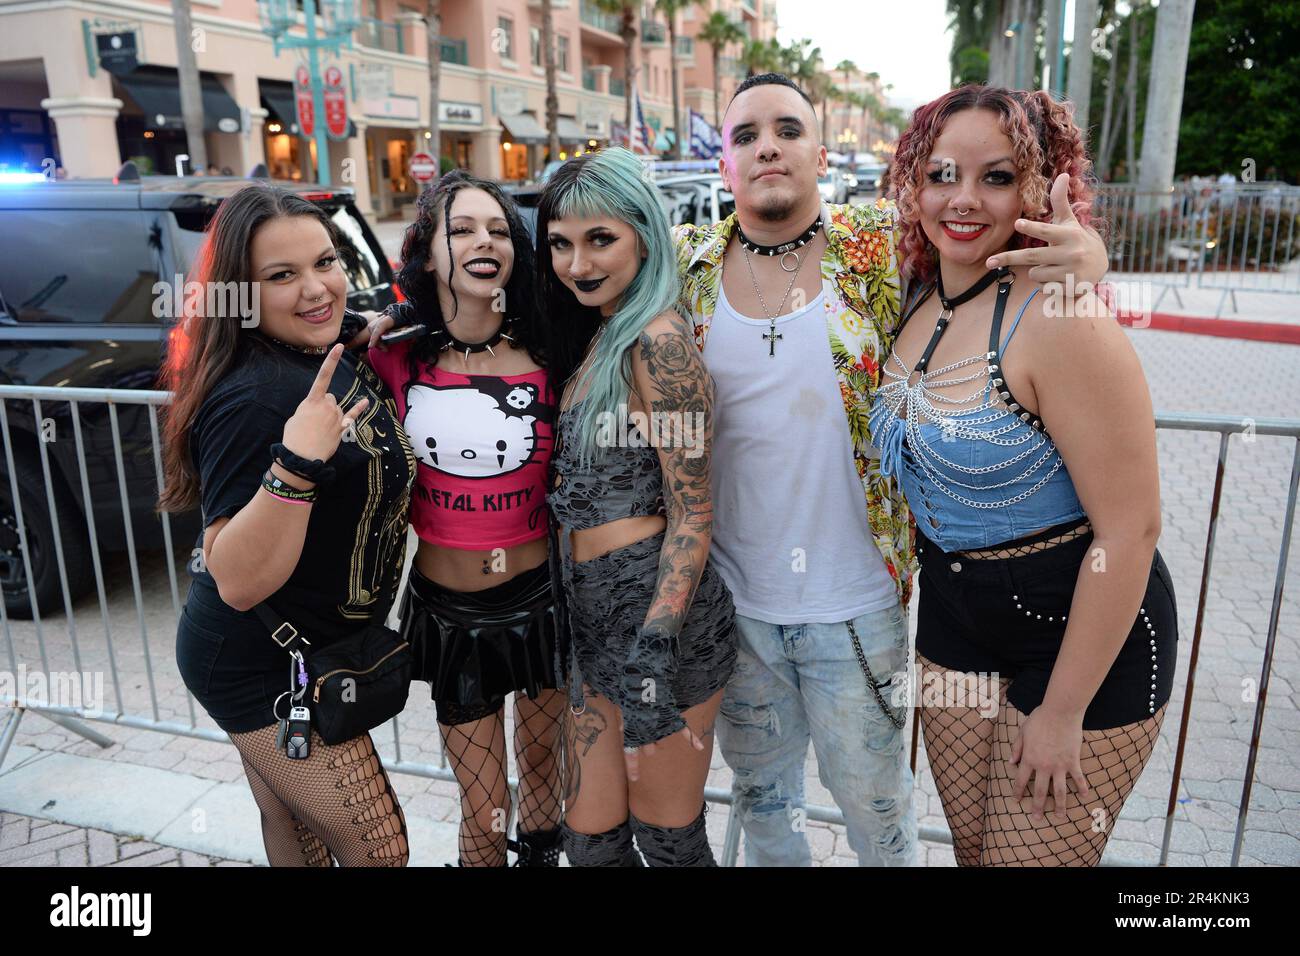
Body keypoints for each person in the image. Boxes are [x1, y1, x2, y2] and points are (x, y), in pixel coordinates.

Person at [671, 73, 1109, 866]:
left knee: (876, 812)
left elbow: (988, 250)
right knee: (763, 803)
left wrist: (1092, 259)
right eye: (744, 135)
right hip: (733, 607)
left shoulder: (878, 248)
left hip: (857, 605)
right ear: (725, 165)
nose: (766, 145)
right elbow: (574, 279)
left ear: (820, 152)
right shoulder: (687, 267)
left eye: (788, 129)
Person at [868, 85, 1175, 866]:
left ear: (1041, 188)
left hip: (1080, 628)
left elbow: (1130, 528)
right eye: (942, 174)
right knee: (973, 852)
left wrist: (1062, 709)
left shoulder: (1062, 315)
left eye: (997, 178)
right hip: (952, 619)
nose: (963, 199)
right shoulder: (914, 293)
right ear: (914, 183)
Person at [160, 183, 412, 866]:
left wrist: (367, 325)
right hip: (257, 660)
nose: (316, 289)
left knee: (298, 830)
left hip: (303, 648)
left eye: (325, 262)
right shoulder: (254, 396)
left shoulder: (316, 352)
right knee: (378, 849)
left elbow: (340, 314)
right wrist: (296, 466)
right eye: (281, 276)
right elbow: (233, 576)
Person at [360, 171, 565, 867]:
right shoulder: (393, 354)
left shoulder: (550, 354)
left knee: (542, 777)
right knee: (483, 804)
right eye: (463, 228)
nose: (486, 241)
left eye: (500, 229)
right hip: (448, 616)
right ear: (427, 255)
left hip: (542, 604)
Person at [540, 146, 738, 866]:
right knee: (590, 842)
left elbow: (693, 512)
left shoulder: (658, 343)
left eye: (600, 239)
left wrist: (656, 640)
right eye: (561, 243)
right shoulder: (604, 331)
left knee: (669, 841)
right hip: (594, 617)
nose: (577, 263)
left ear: (645, 236)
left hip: (664, 623)